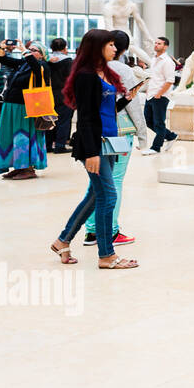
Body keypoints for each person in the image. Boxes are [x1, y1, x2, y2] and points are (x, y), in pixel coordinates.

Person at [49, 29, 137, 269]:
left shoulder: (105, 72)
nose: (114, 49)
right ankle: (106, 255)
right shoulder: (86, 75)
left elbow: (107, 111)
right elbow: (86, 117)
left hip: (109, 140)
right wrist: (91, 153)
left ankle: (62, 240)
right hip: (94, 143)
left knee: (95, 195)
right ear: (96, 47)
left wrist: (126, 99)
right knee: (108, 196)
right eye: (110, 45)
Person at [84, 31, 145, 249]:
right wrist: (143, 133)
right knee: (114, 182)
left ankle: (92, 230)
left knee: (96, 184)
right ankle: (110, 231)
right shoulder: (122, 69)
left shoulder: (88, 68)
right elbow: (133, 106)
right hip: (118, 131)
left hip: (95, 131)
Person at [0, 40, 51, 180]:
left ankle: (27, 167)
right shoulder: (23, 64)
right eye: (29, 49)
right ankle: (18, 166)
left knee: (22, 137)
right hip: (11, 105)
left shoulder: (42, 65)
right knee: (11, 136)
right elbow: (2, 58)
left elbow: (36, 68)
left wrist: (25, 51)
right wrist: (2, 46)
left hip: (26, 108)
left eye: (34, 50)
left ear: (42, 55)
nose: (30, 51)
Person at [141, 36, 178, 155]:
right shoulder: (154, 59)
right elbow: (154, 77)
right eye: (155, 43)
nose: (156, 45)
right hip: (150, 95)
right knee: (148, 121)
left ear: (165, 47)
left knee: (159, 122)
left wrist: (159, 94)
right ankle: (170, 135)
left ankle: (156, 147)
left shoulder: (167, 61)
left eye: (159, 44)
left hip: (160, 97)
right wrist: (149, 91)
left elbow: (170, 80)